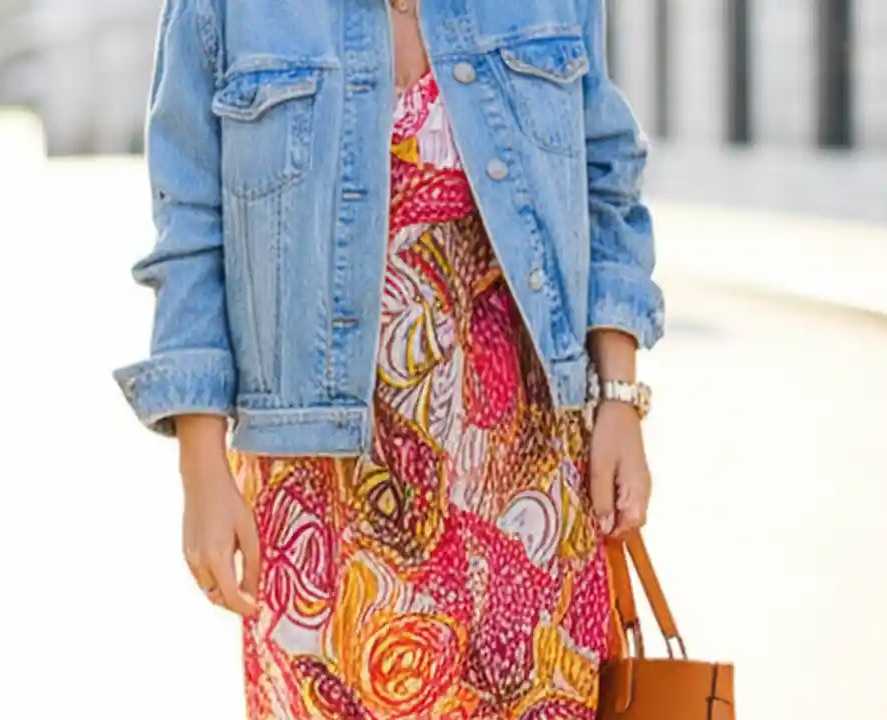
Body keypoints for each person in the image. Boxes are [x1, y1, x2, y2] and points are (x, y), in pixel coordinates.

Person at [114, 0, 663, 716]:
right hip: (319, 492)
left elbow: (606, 177)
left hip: (529, 492)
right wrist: (200, 464)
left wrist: (619, 397)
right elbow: (190, 222)